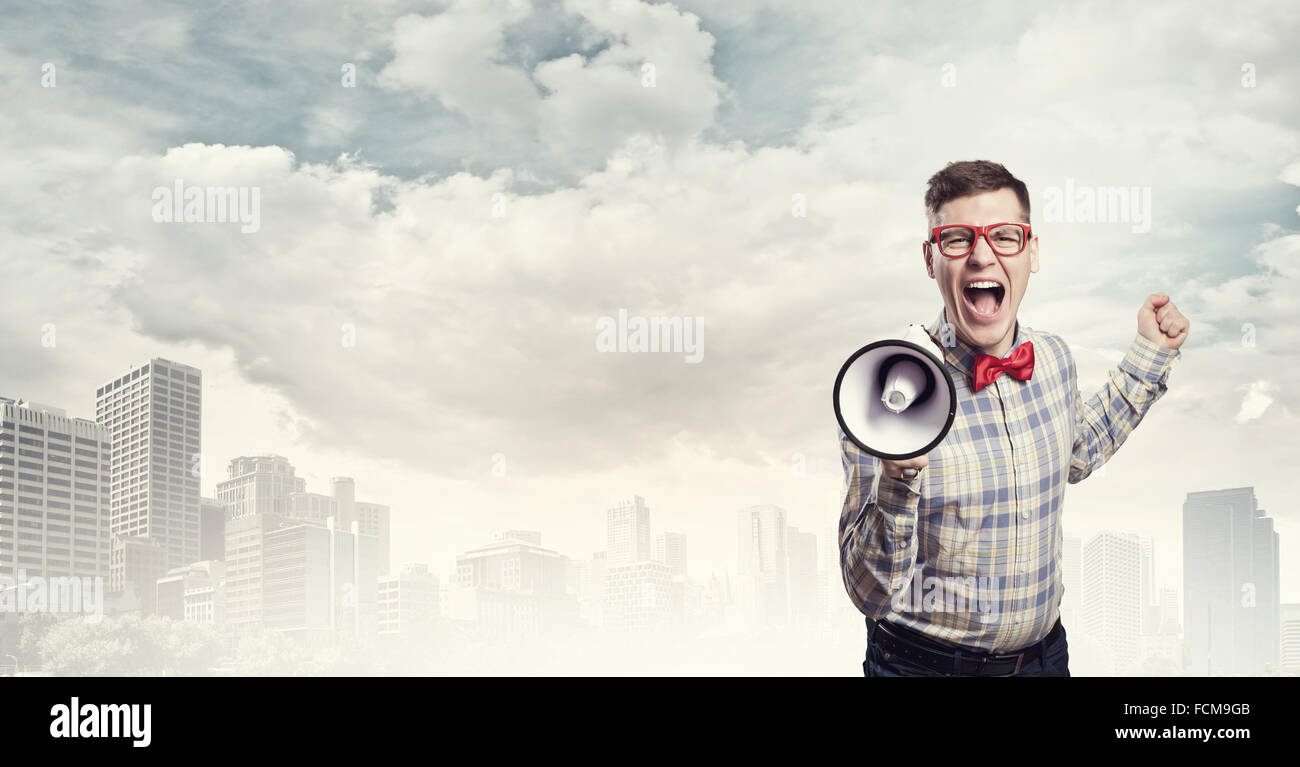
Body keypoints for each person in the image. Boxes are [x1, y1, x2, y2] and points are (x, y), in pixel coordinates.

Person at [839, 160, 1189, 676]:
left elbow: (1077, 450)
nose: (983, 256)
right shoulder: (884, 391)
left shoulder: (1052, 358)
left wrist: (1150, 354)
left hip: (1044, 661)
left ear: (1032, 252)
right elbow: (869, 591)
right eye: (957, 239)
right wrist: (898, 476)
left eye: (1005, 236)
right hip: (922, 668)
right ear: (931, 258)